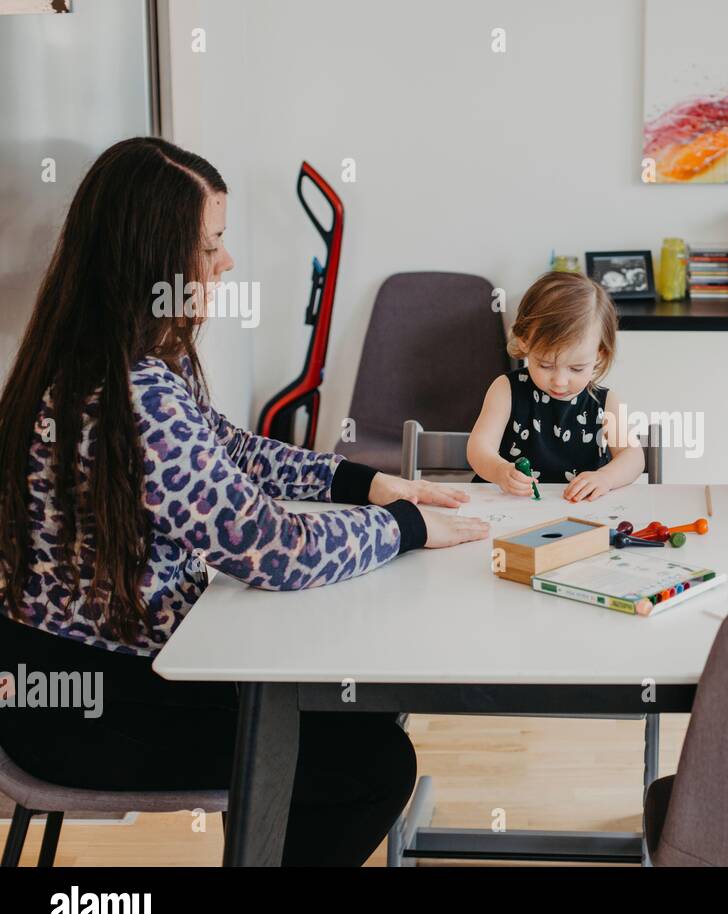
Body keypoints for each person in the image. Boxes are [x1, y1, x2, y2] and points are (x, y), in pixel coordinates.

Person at [0, 137, 489, 865]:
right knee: (372, 763)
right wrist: (406, 526)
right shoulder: (134, 397)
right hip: (93, 708)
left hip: (72, 679)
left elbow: (228, 448)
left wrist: (359, 482)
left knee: (351, 701)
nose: (225, 260)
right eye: (210, 243)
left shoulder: (99, 355)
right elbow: (275, 549)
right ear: (152, 255)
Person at [467, 271, 645, 501]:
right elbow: (479, 447)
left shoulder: (605, 403)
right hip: (510, 506)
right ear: (525, 342)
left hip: (576, 511)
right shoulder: (505, 390)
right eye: (545, 365)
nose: (560, 381)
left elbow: (633, 456)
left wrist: (606, 478)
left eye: (577, 368)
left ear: (599, 354)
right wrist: (500, 471)